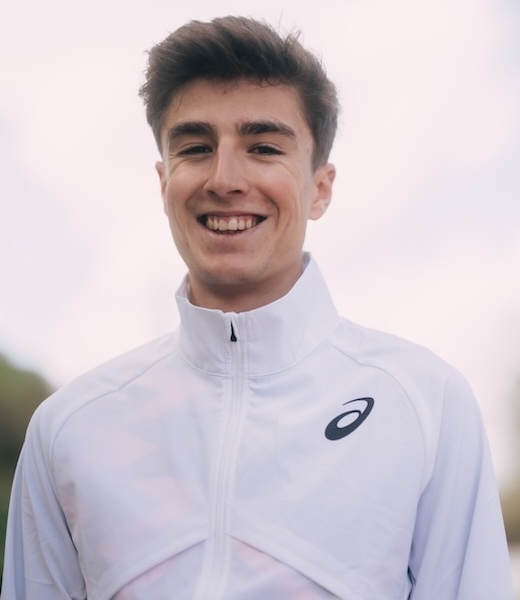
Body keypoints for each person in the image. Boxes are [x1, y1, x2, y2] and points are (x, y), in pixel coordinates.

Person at [0, 15, 513, 600]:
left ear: (320, 188)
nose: (225, 179)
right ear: (164, 182)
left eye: (264, 147)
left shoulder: (426, 404)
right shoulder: (70, 429)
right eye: (196, 148)